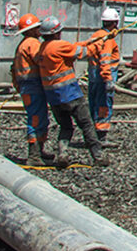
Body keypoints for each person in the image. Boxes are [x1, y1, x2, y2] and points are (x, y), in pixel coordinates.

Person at [37, 16, 110, 168]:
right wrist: (101, 42)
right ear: (56, 33)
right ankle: (98, 156)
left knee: (66, 126)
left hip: (54, 97)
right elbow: (85, 52)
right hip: (70, 93)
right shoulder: (59, 46)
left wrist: (90, 40)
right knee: (87, 124)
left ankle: (62, 154)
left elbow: (72, 47)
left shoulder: (43, 48)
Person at [10, 13, 50, 163]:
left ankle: (39, 150)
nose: (39, 30)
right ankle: (34, 155)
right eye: (36, 28)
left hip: (27, 86)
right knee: (36, 118)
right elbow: (41, 60)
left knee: (38, 116)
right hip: (33, 86)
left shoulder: (22, 44)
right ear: (30, 30)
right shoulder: (32, 43)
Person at [87, 8, 122, 145]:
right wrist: (108, 79)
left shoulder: (97, 35)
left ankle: (92, 136)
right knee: (103, 105)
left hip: (94, 77)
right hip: (103, 78)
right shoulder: (107, 40)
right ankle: (101, 137)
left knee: (94, 104)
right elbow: (105, 60)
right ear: (115, 23)